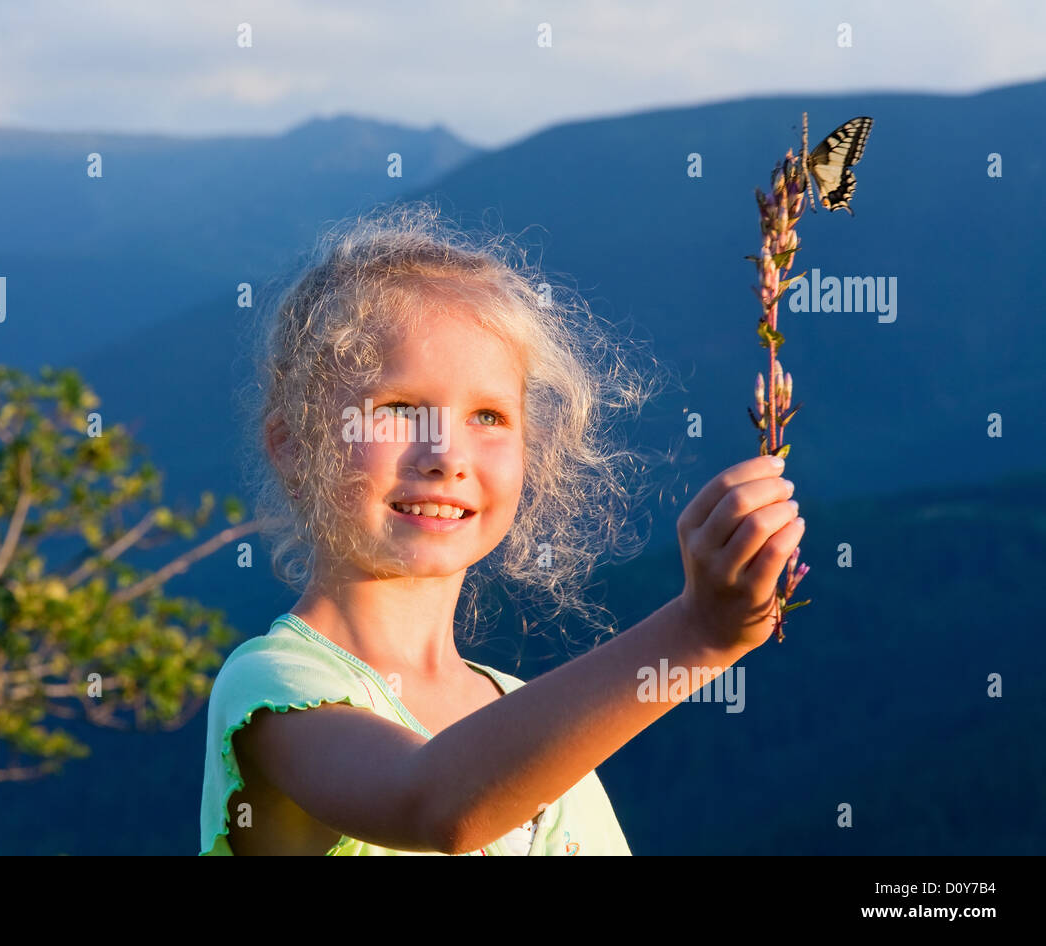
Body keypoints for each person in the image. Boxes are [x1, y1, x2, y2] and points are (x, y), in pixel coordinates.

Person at [198, 200, 803, 855]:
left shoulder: (522, 716)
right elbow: (434, 808)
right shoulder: (274, 686)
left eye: (487, 417)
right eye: (398, 408)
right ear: (292, 445)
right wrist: (697, 634)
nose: (446, 456)